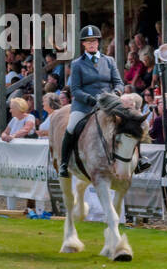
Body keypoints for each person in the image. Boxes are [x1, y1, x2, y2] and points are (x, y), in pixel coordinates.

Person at [60, 25, 143, 177]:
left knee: (131, 122)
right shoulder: (77, 64)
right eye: (88, 41)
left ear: (98, 42)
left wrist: (115, 93)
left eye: (94, 41)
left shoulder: (109, 61)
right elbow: (75, 89)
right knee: (71, 127)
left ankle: (140, 159)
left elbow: (119, 82)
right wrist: (91, 100)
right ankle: (64, 163)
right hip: (85, 105)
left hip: (109, 103)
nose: (91, 43)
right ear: (83, 44)